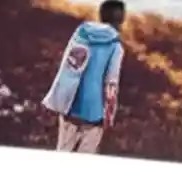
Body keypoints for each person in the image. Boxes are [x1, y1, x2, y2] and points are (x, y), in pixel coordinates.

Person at [42, 0, 126, 154]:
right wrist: (109, 116)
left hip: (70, 106)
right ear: (121, 19)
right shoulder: (116, 46)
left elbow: (68, 67)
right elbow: (111, 84)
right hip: (94, 113)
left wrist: (57, 100)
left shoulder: (81, 34)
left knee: (62, 152)